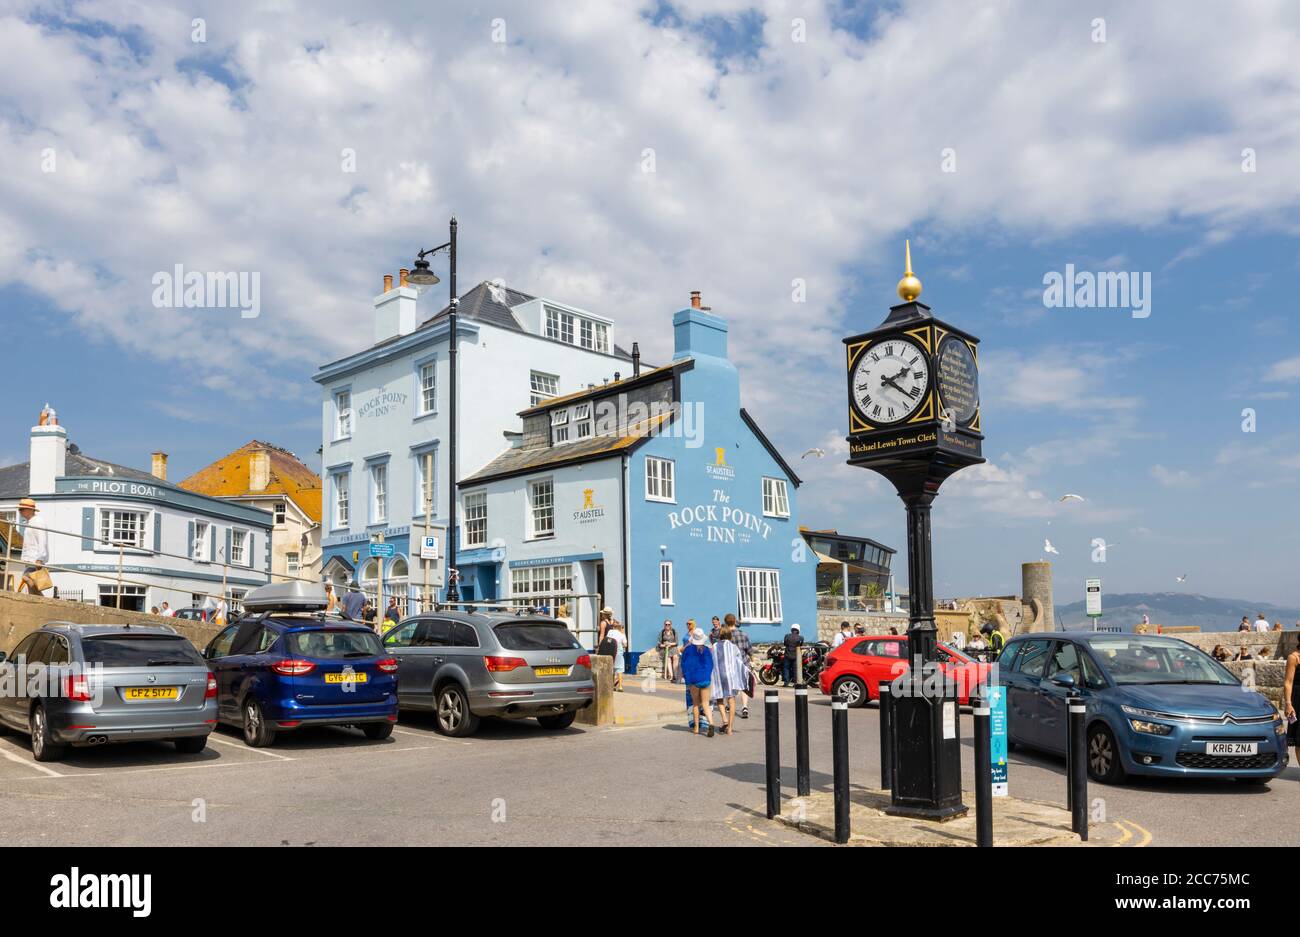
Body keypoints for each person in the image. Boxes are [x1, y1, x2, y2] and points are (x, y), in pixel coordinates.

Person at [711, 625, 748, 735]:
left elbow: (711, 660)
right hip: (730, 676)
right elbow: (739, 662)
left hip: (718, 675)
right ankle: (730, 728)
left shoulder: (714, 646)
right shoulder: (733, 647)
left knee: (719, 699)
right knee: (731, 701)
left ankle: (724, 720)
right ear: (729, 635)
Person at [679, 627, 715, 738]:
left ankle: (696, 728)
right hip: (705, 678)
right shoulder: (707, 650)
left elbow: (684, 665)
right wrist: (707, 675)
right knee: (705, 704)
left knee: (695, 704)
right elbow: (711, 664)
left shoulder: (688, 650)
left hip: (693, 680)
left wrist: (686, 678)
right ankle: (711, 723)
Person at [14, 498, 48, 595]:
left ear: (30, 510)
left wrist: (40, 558)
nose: (20, 511)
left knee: (27, 577)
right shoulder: (30, 522)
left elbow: (42, 540)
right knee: (31, 581)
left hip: (35, 558)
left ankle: (39, 600)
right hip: (31, 558)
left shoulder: (37, 521)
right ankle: (35, 600)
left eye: (22, 509)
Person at [727, 613, 753, 718]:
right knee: (744, 686)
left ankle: (729, 705)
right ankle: (745, 706)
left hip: (731, 663)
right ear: (735, 622)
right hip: (743, 663)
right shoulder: (744, 634)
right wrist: (752, 660)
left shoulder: (725, 635)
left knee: (731, 685)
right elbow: (749, 650)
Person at [1285, 643, 1300, 768]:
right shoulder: (1294, 657)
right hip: (1298, 700)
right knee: (1299, 739)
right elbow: (1288, 682)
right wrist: (1288, 704)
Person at [604, 619, 627, 691]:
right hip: (619, 654)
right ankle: (620, 687)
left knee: (612, 670)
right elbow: (625, 645)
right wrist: (623, 633)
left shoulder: (610, 632)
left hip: (610, 653)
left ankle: (612, 686)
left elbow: (607, 640)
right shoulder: (621, 634)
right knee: (619, 670)